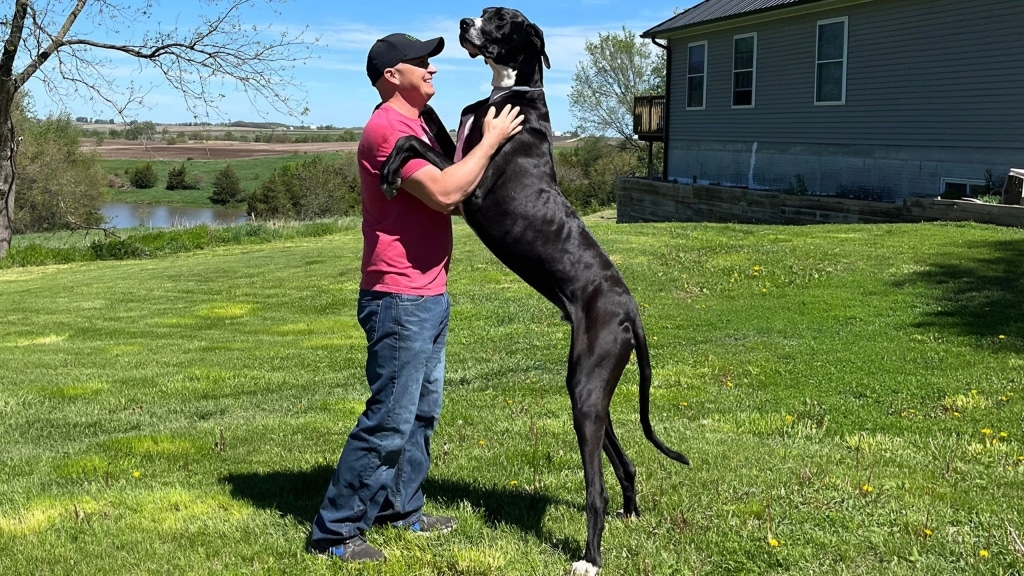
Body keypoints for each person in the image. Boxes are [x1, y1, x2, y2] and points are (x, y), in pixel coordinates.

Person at [307, 33, 524, 562]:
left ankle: (401, 508)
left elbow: (455, 185)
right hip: (398, 295)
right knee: (389, 417)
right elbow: (449, 191)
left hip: (429, 289)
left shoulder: (422, 123)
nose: (432, 69)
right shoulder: (387, 130)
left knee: (421, 412)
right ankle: (335, 532)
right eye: (421, 63)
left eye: (431, 62)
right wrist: (491, 139)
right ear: (390, 76)